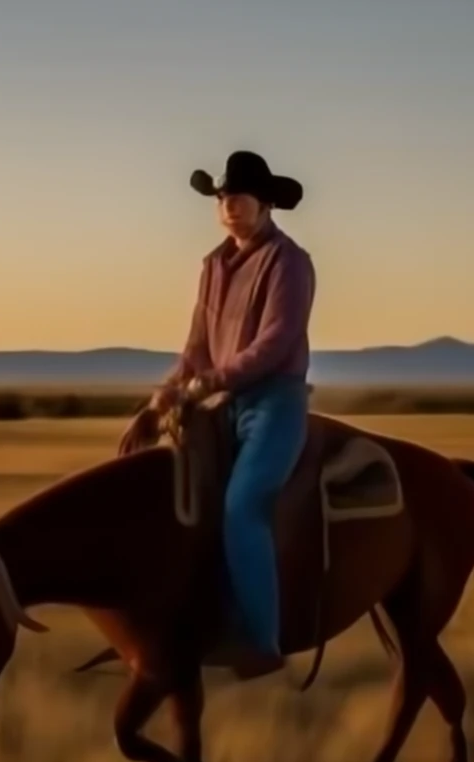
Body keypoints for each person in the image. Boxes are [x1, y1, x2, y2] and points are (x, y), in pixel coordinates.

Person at [152, 150, 316, 676]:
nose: (229, 204)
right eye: (222, 197)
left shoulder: (289, 261)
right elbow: (197, 344)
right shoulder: (211, 266)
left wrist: (209, 383)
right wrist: (168, 391)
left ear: (266, 203)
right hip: (218, 403)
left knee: (243, 508)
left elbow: (274, 342)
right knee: (175, 497)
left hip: (274, 402)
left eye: (239, 195)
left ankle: (261, 641)